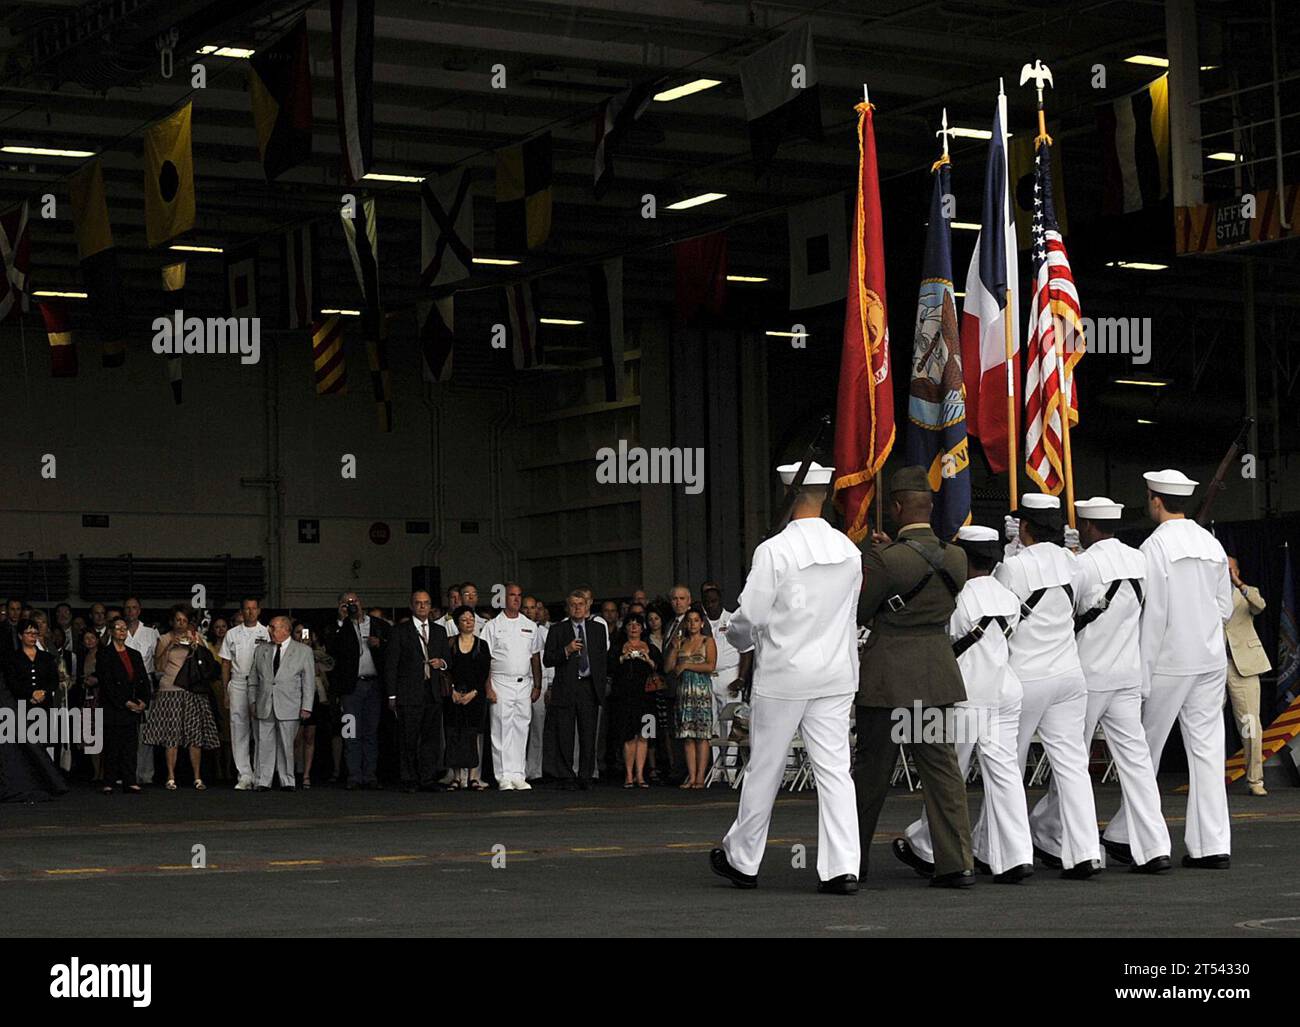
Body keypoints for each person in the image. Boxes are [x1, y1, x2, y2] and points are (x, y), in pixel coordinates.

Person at [712, 461, 862, 894]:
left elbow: (751, 616)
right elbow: (848, 614)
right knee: (835, 770)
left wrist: (738, 636)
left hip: (784, 676)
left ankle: (743, 860)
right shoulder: (848, 550)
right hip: (835, 674)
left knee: (765, 767)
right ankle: (841, 868)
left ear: (789, 495)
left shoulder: (774, 551)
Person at [1103, 470, 1234, 869]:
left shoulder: (1153, 548)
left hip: (1168, 663)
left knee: (1144, 753)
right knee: (1208, 753)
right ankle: (1212, 845)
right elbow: (1224, 607)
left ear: (1154, 499)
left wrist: (1140, 676)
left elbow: (1153, 616)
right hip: (1209, 660)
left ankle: (1132, 835)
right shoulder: (1211, 544)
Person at [1033, 498, 1172, 874]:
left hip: (1089, 673)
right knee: (1137, 764)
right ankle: (1155, 846)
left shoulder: (1083, 565)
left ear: (1088, 527)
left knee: (1072, 763)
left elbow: (1066, 612)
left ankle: (1063, 836)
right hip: (1126, 673)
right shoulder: (1139, 560)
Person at [854, 466, 974, 888]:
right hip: (935, 673)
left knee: (871, 774)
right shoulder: (957, 557)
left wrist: (883, 557)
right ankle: (956, 863)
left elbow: (862, 611)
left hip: (888, 677)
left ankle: (851, 861)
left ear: (898, 507)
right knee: (942, 772)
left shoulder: (884, 560)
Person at [899, 525, 1034, 884]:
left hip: (964, 694)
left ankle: (929, 848)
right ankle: (1016, 855)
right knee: (1005, 774)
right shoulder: (1007, 596)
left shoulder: (956, 596)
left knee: (947, 776)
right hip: (1004, 691)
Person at [995, 493, 1100, 879]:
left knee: (1008, 765)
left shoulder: (1013, 567)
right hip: (1069, 674)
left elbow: (1000, 616)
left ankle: (1012, 854)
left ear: (1023, 527)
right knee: (1073, 766)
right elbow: (1080, 607)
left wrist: (1009, 551)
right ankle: (1086, 851)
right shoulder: (1074, 564)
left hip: (1027, 676)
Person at [147, 606, 221, 790]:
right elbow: (158, 666)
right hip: (170, 689)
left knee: (194, 734)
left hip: (192, 689)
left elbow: (208, 663)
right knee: (171, 735)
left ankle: (197, 776)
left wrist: (196, 646)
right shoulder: (164, 639)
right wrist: (170, 646)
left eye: (184, 620)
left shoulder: (196, 637)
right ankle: (170, 777)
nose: (181, 624)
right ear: (172, 621)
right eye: (177, 620)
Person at [385, 591, 451, 793]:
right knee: (409, 738)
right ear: (412, 606)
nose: (422, 607)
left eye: (426, 603)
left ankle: (428, 778)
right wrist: (392, 695)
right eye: (418, 603)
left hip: (432, 691)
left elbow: (448, 659)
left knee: (431, 739)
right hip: (408, 691)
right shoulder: (400, 631)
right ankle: (409, 778)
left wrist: (442, 663)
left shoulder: (439, 631)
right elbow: (391, 664)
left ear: (431, 606)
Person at [543, 590, 608, 790]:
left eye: (581, 604)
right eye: (573, 604)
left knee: (588, 734)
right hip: (566, 687)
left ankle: (586, 775)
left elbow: (601, 659)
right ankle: (566, 775)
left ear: (588, 606)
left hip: (589, 687)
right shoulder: (558, 630)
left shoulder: (598, 629)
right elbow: (548, 659)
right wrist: (566, 650)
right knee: (565, 734)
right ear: (567, 607)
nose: (577, 608)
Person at [482, 583, 544, 790]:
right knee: (501, 729)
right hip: (500, 682)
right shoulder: (492, 625)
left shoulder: (530, 625)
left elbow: (535, 657)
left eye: (519, 595)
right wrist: (488, 686)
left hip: (524, 683)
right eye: (512, 595)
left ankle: (518, 773)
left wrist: (537, 685)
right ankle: (503, 776)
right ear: (503, 598)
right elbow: (485, 659)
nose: (516, 599)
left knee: (521, 728)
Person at [326, 591, 390, 790]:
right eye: (346, 603)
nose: (352, 605)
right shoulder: (338, 628)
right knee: (350, 731)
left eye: (354, 602)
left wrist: (380, 644)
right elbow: (332, 652)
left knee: (370, 732)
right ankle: (353, 775)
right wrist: (344, 620)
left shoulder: (379, 625)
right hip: (350, 690)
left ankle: (370, 774)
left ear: (362, 603)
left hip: (374, 686)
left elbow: (392, 649)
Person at [0, 621, 67, 803]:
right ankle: (29, 781)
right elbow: (11, 682)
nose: (32, 636)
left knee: (44, 741)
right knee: (28, 744)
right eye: (28, 633)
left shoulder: (46, 657)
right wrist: (29, 694)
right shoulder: (12, 658)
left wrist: (43, 692)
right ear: (21, 636)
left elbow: (53, 679)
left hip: (43, 704)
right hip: (23, 705)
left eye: (35, 633)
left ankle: (46, 781)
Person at [249, 616, 315, 791]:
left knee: (287, 744)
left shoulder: (303, 651)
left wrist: (307, 706)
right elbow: (253, 679)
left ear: (285, 629)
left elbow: (308, 681)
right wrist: (252, 701)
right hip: (265, 703)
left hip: (289, 703)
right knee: (264, 743)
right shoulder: (261, 650)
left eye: (273, 627)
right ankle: (263, 780)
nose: (269, 631)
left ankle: (288, 780)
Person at [1225, 555, 1270, 796]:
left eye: (1229, 567)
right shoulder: (1204, 593)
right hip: (1212, 665)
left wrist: (1238, 583)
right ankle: (1209, 781)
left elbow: (1260, 606)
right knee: (1204, 723)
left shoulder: (1247, 591)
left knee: (1250, 723)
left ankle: (1255, 779)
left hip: (1242, 664)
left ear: (1238, 570)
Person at [219, 598, 271, 790]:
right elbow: (225, 663)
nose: (250, 612)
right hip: (239, 681)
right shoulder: (232, 634)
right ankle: (244, 775)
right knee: (239, 729)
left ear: (259, 611)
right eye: (246, 609)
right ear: (241, 612)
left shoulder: (266, 632)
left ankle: (260, 775)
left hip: (259, 684)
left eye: (253, 609)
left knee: (260, 729)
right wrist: (225, 691)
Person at [96, 617, 149, 794]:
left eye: (124, 629)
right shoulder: (105, 654)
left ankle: (130, 780)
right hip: (114, 706)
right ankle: (109, 780)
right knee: (112, 745)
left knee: (130, 746)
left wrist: (143, 701)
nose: (122, 632)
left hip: (133, 705)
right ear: (111, 631)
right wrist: (124, 702)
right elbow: (107, 683)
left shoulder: (134, 654)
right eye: (118, 628)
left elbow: (143, 680)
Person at [665, 609, 716, 788]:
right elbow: (669, 668)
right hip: (684, 691)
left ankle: (700, 776)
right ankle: (691, 776)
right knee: (687, 735)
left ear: (701, 623)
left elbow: (710, 665)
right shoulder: (682, 642)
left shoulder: (707, 641)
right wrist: (674, 648)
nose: (692, 624)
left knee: (701, 735)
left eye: (696, 620)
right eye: (689, 621)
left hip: (701, 690)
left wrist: (687, 664)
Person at [609, 612, 661, 787]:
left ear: (642, 627)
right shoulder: (617, 647)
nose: (633, 627)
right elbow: (610, 668)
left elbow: (659, 669)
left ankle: (641, 775)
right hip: (624, 698)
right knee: (628, 736)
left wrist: (648, 660)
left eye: (637, 624)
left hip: (646, 697)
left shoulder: (651, 648)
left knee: (644, 735)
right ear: (624, 628)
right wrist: (623, 658)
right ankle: (629, 775)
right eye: (630, 624)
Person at [701, 582, 754, 751]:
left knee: (731, 723)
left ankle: (730, 771)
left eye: (714, 601)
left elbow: (746, 649)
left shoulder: (732, 620)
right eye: (707, 602)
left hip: (729, 675)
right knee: (712, 725)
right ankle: (717, 770)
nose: (711, 605)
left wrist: (741, 678)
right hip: (708, 677)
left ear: (720, 600)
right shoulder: (700, 623)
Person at [445, 606, 491, 789]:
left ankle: (473, 777)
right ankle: (456, 777)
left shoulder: (482, 645)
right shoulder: (450, 643)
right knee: (454, 734)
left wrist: (474, 693)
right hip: (454, 694)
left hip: (475, 695)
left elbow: (484, 673)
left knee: (472, 735)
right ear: (457, 623)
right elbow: (446, 670)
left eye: (471, 619)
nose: (469, 622)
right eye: (464, 619)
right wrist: (452, 690)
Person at [122, 598, 160, 786]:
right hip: (124, 685)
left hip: (146, 683)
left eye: (134, 608)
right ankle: (127, 773)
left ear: (140, 610)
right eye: (128, 608)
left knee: (146, 731)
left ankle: (146, 773)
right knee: (126, 731)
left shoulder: (151, 633)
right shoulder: (119, 631)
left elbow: (158, 660)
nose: (131, 611)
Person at [294, 624, 336, 789]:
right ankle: (294, 771)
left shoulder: (317, 653)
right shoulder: (290, 652)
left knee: (310, 737)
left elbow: (329, 664)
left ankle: (306, 775)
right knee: (295, 738)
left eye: (305, 633)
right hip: (295, 696)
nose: (302, 636)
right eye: (297, 632)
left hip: (314, 697)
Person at [523, 595, 550, 783]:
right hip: (520, 682)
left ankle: (536, 770)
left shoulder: (546, 632)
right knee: (519, 728)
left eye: (534, 608)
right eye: (526, 608)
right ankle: (520, 769)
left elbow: (549, 662)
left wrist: (549, 686)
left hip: (542, 682)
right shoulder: (516, 628)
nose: (530, 611)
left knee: (537, 729)